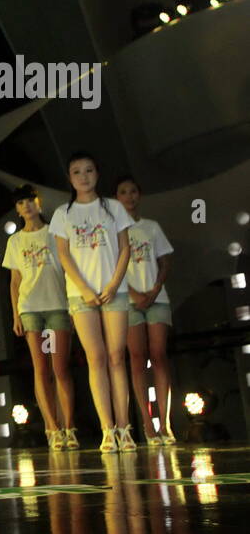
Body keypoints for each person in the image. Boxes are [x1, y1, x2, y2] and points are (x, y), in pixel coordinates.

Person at [50, 151, 134, 452]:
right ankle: (106, 430)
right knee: (95, 358)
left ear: (97, 174)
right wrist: (85, 289)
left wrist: (113, 284)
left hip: (115, 290)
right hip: (80, 294)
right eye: (77, 172)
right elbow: (63, 254)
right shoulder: (63, 214)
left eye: (88, 170)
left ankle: (124, 427)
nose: (83, 176)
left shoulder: (113, 208)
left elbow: (125, 248)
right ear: (70, 178)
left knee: (116, 357)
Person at [2, 185, 76, 449]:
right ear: (17, 210)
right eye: (20, 203)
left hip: (57, 305)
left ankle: (69, 426)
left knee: (60, 368)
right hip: (30, 309)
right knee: (41, 368)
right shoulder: (15, 241)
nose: (26, 206)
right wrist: (15, 314)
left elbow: (68, 267)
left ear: (38, 203)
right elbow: (14, 281)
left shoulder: (54, 232)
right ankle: (52, 428)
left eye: (29, 201)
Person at [115, 176, 176, 445]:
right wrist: (133, 293)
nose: (129, 196)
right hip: (128, 302)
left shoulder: (151, 227)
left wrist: (153, 289)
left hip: (156, 298)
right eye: (123, 192)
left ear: (139, 195)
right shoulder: (112, 231)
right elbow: (109, 268)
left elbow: (165, 261)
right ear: (116, 198)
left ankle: (166, 423)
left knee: (159, 355)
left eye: (133, 191)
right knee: (137, 358)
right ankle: (147, 424)